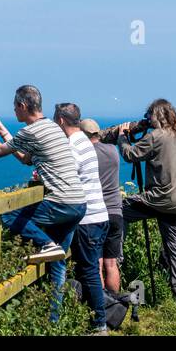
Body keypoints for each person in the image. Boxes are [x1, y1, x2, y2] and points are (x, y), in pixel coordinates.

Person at [0, 84, 87, 322]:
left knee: (8, 216)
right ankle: (54, 321)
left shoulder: (30, 132)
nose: (13, 110)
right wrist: (4, 130)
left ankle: (46, 244)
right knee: (58, 262)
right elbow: (27, 159)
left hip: (61, 202)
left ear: (22, 105)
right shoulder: (51, 126)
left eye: (14, 106)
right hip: (79, 204)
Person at [105, 99, 176, 301]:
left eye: (149, 117)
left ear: (155, 116)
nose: (148, 120)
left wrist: (122, 137)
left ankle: (115, 259)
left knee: (120, 209)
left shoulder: (156, 136)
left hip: (158, 199)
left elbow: (131, 155)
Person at [53, 104, 108, 333]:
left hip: (88, 220)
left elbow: (66, 175)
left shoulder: (73, 146)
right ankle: (95, 319)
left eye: (55, 120)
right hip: (99, 215)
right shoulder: (85, 141)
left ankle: (99, 323)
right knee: (90, 269)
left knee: (89, 272)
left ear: (62, 121)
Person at [81, 117, 124, 295]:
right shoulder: (113, 150)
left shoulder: (86, 154)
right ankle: (115, 302)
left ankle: (101, 305)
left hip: (96, 214)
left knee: (97, 263)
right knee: (111, 263)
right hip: (116, 211)